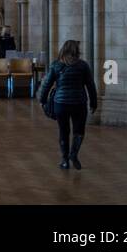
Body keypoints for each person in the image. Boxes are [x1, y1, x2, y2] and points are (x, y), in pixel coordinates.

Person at [39, 39, 98, 170]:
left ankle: (64, 160)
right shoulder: (83, 65)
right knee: (79, 131)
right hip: (79, 103)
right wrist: (94, 102)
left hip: (61, 104)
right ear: (76, 51)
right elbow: (90, 85)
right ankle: (74, 154)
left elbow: (46, 84)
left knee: (63, 131)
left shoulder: (56, 65)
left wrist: (42, 100)